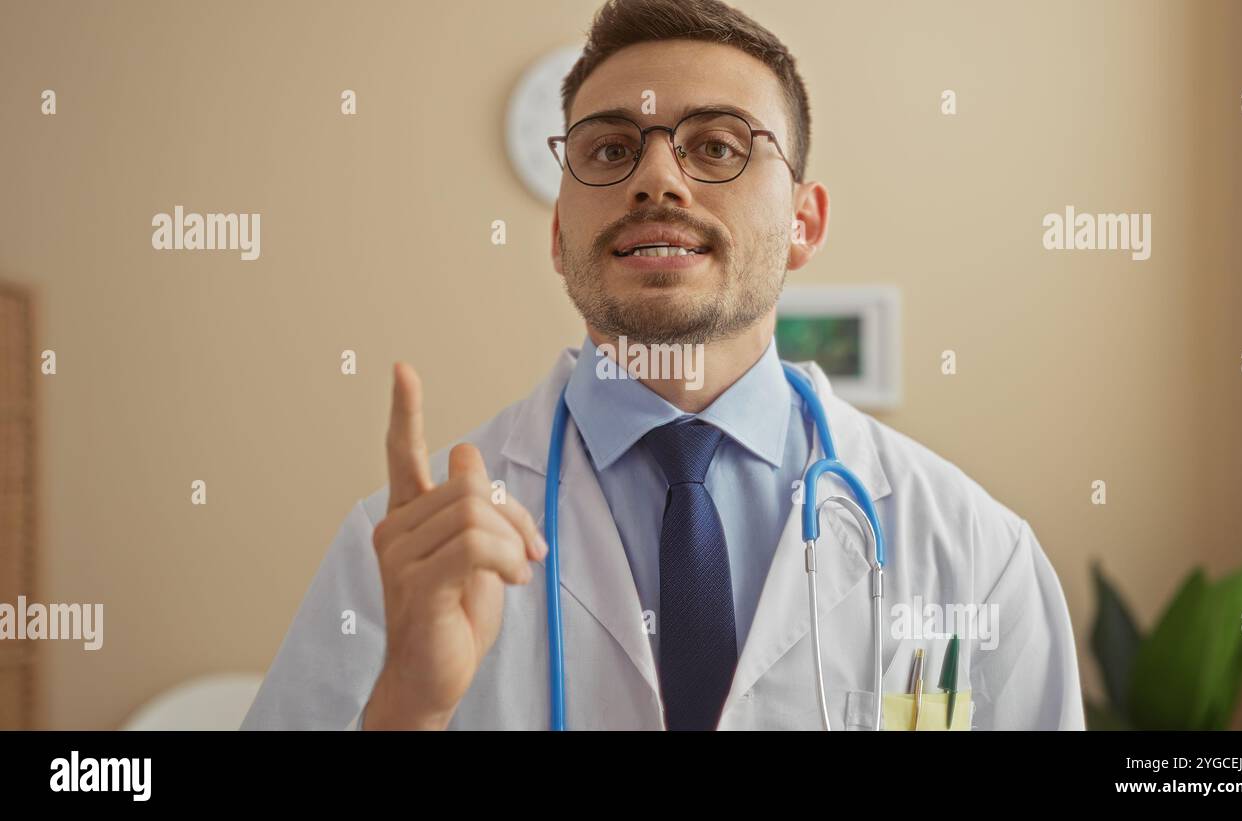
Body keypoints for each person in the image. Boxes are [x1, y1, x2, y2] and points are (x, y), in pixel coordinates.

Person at [241, 0, 1085, 731]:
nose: (656, 177)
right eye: (610, 151)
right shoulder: (405, 551)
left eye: (716, 146)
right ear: (558, 234)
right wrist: (405, 709)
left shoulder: (977, 551)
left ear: (804, 221)